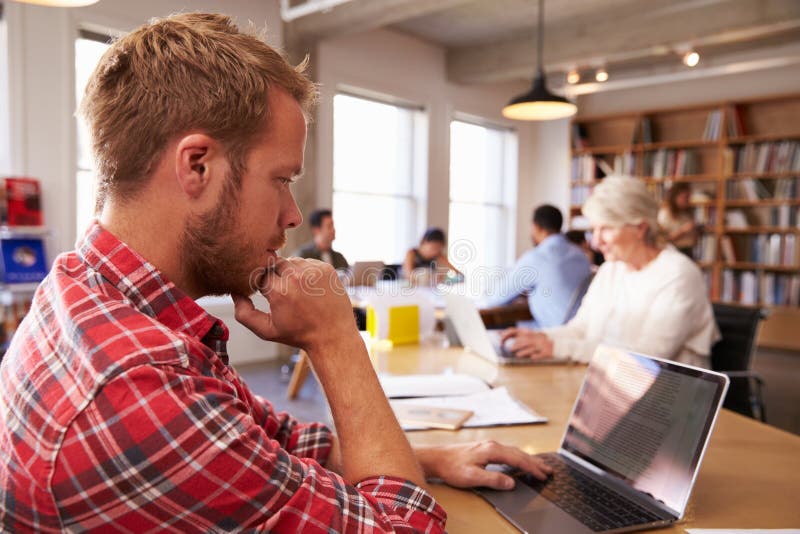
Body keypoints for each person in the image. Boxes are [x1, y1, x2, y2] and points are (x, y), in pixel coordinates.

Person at [0, 13, 552, 532]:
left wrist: (430, 457)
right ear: (197, 165)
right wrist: (335, 338)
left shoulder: (89, 290)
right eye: (282, 179)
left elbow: (272, 441)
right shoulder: (133, 382)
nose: (292, 215)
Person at [501, 177, 719, 368]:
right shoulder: (611, 270)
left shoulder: (678, 274)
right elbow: (581, 328)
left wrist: (556, 347)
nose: (595, 242)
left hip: (665, 398)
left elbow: (649, 357)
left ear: (640, 228)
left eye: (606, 229)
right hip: (609, 383)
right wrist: (540, 337)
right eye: (594, 229)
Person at [486, 205, 592, 328]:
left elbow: (496, 298)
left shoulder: (536, 258)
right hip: (580, 331)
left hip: (553, 335)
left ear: (536, 227)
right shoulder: (580, 255)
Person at [658, 182, 699, 258]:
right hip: (673, 252)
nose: (688, 201)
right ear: (675, 197)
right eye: (685, 197)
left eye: (689, 197)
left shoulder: (686, 212)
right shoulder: (664, 215)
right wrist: (683, 231)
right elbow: (662, 239)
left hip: (689, 250)